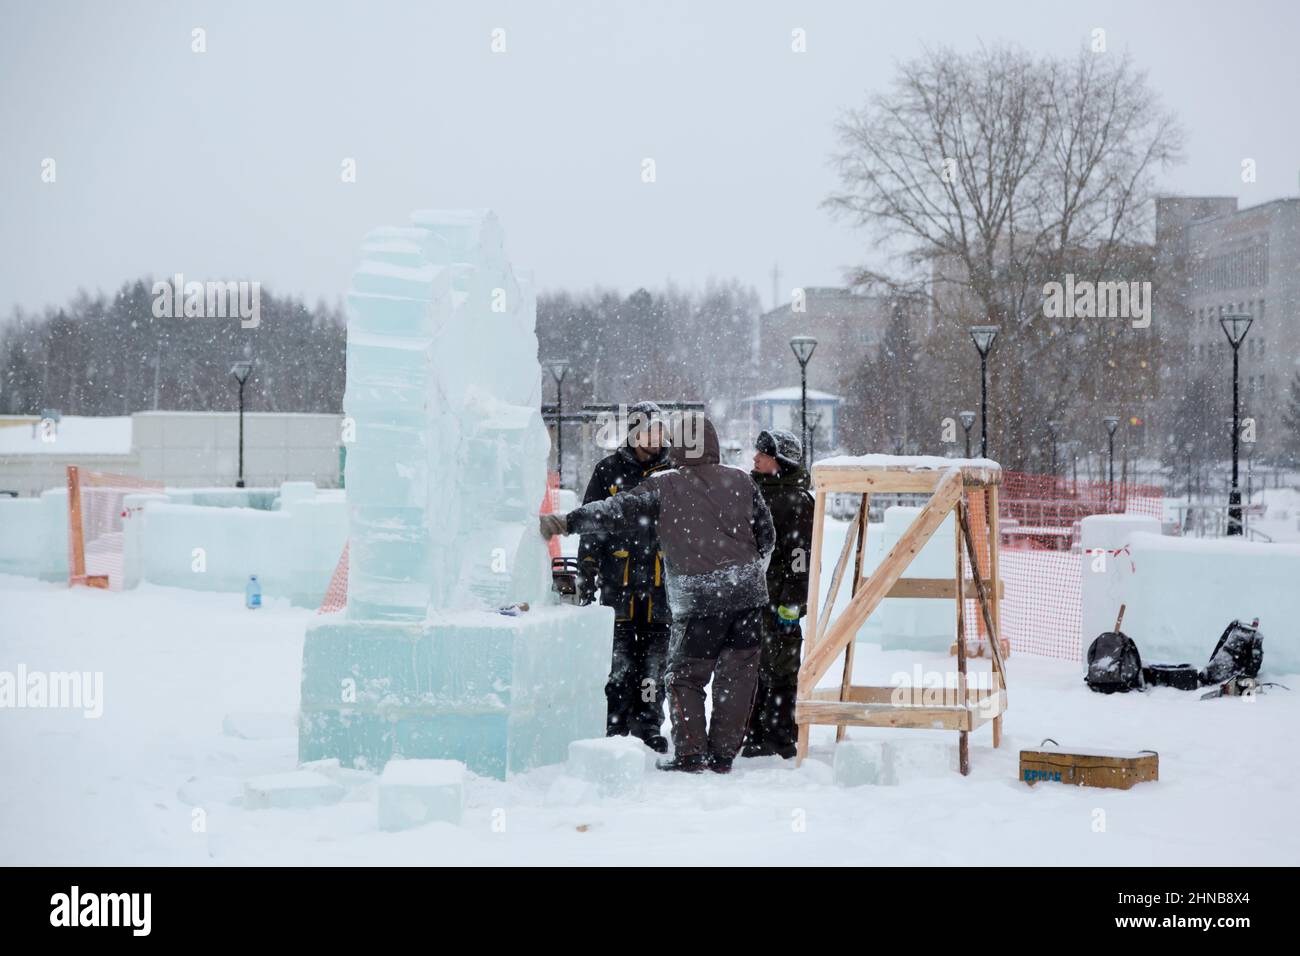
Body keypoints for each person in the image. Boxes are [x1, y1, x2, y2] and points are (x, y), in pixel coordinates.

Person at [541, 414, 775, 774]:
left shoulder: (664, 485)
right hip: (746, 596)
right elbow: (768, 537)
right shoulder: (741, 481)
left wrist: (567, 522)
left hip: (698, 600)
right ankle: (723, 756)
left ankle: (691, 754)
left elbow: (613, 510)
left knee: (685, 677)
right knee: (737, 679)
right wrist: (739, 568)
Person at [577, 401, 674, 753]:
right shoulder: (608, 472)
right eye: (649, 430)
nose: (657, 436)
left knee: (654, 667)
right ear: (633, 434)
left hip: (663, 592)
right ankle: (614, 726)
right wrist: (586, 575)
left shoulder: (674, 474)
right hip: (619, 588)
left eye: (661, 429)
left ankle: (649, 725)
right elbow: (591, 526)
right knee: (618, 666)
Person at [742, 429, 815, 760]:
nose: (755, 458)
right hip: (748, 599)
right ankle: (754, 733)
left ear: (780, 462)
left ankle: (780, 735)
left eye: (763, 453)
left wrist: (792, 601)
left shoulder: (797, 501)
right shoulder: (751, 493)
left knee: (781, 668)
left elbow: (801, 556)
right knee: (751, 667)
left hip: (778, 602)